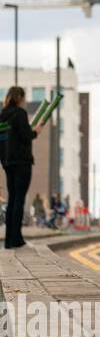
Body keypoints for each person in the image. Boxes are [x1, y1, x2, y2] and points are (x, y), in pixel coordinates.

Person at [1, 87, 45, 249]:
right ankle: (17, 240)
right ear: (19, 98)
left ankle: (9, 241)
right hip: (21, 162)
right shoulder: (20, 114)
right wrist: (36, 131)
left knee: (12, 200)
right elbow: (26, 136)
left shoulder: (2, 115)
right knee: (19, 199)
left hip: (7, 162)